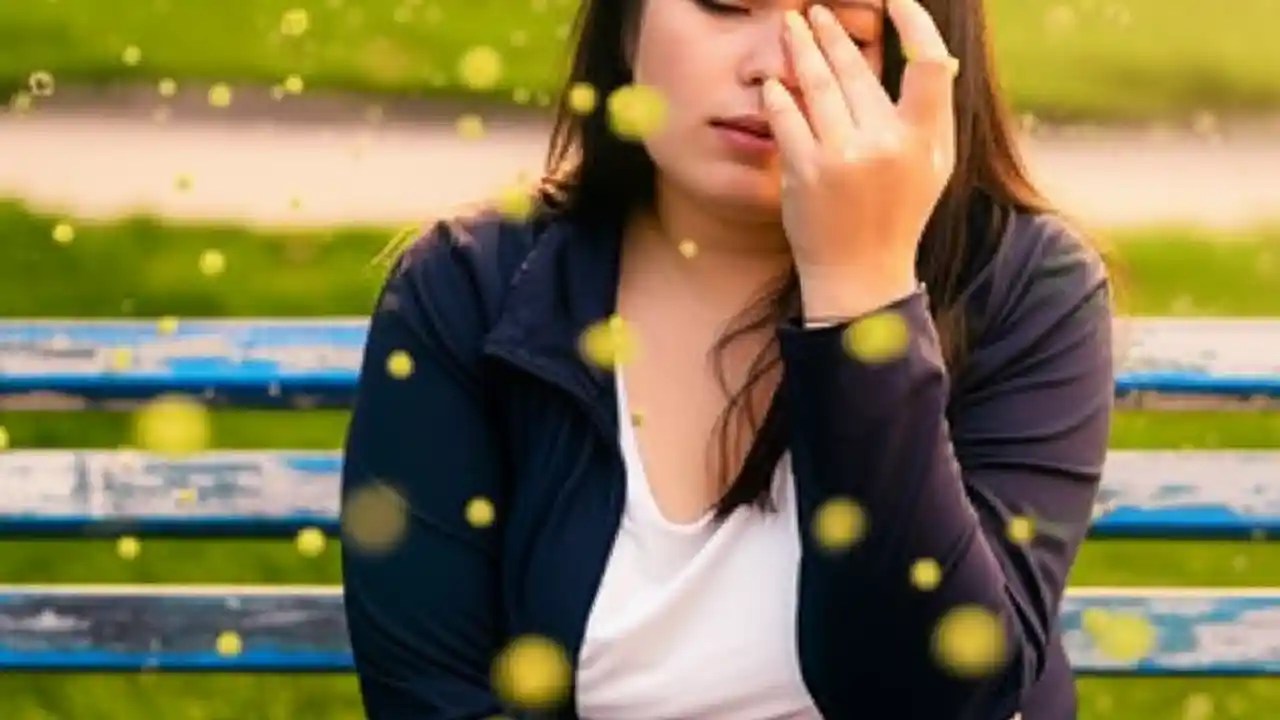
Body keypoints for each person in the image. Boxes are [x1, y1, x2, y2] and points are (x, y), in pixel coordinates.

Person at [339, 0, 1115, 717]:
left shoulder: (1025, 289)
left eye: (840, 30)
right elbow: (428, 696)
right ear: (627, 20)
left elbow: (930, 698)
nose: (773, 67)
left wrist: (861, 297)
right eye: (724, 3)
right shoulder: (470, 287)